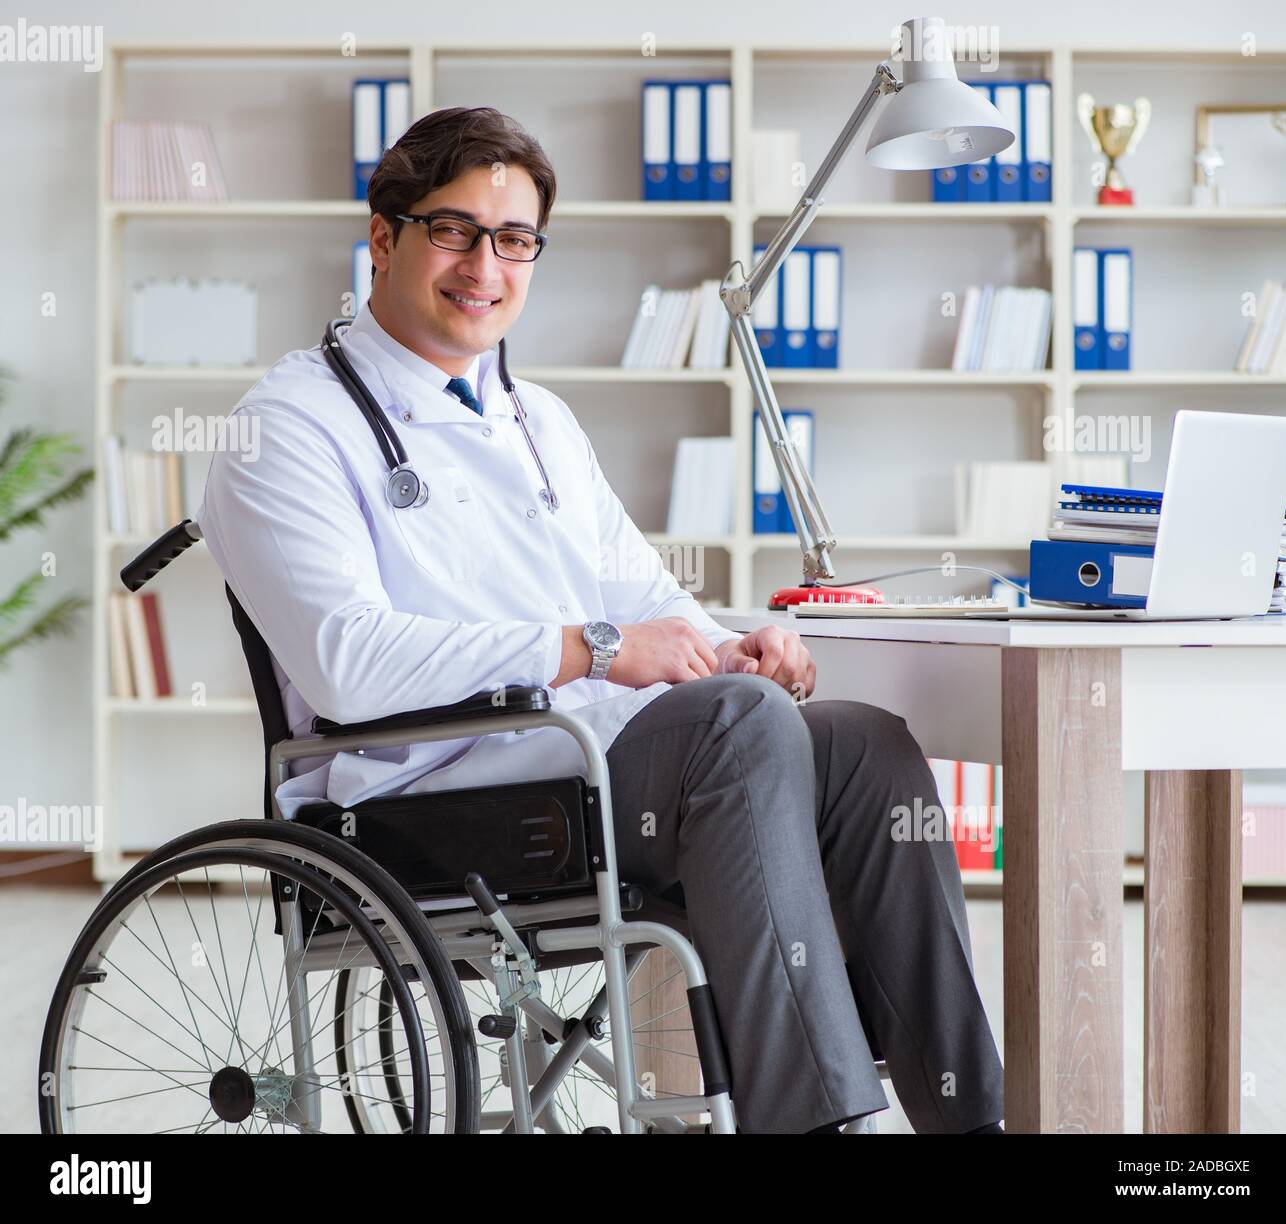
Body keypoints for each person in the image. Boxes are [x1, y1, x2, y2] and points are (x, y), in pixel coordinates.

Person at [197, 105, 1004, 1134]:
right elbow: (347, 663)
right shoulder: (288, 426)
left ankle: (969, 1117)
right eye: (453, 231)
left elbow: (640, 593)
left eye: (514, 239)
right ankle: (816, 1123)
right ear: (384, 239)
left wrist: (726, 649)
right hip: (430, 802)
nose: (484, 266)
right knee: (737, 729)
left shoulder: (538, 419)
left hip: (578, 769)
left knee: (867, 750)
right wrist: (595, 650)